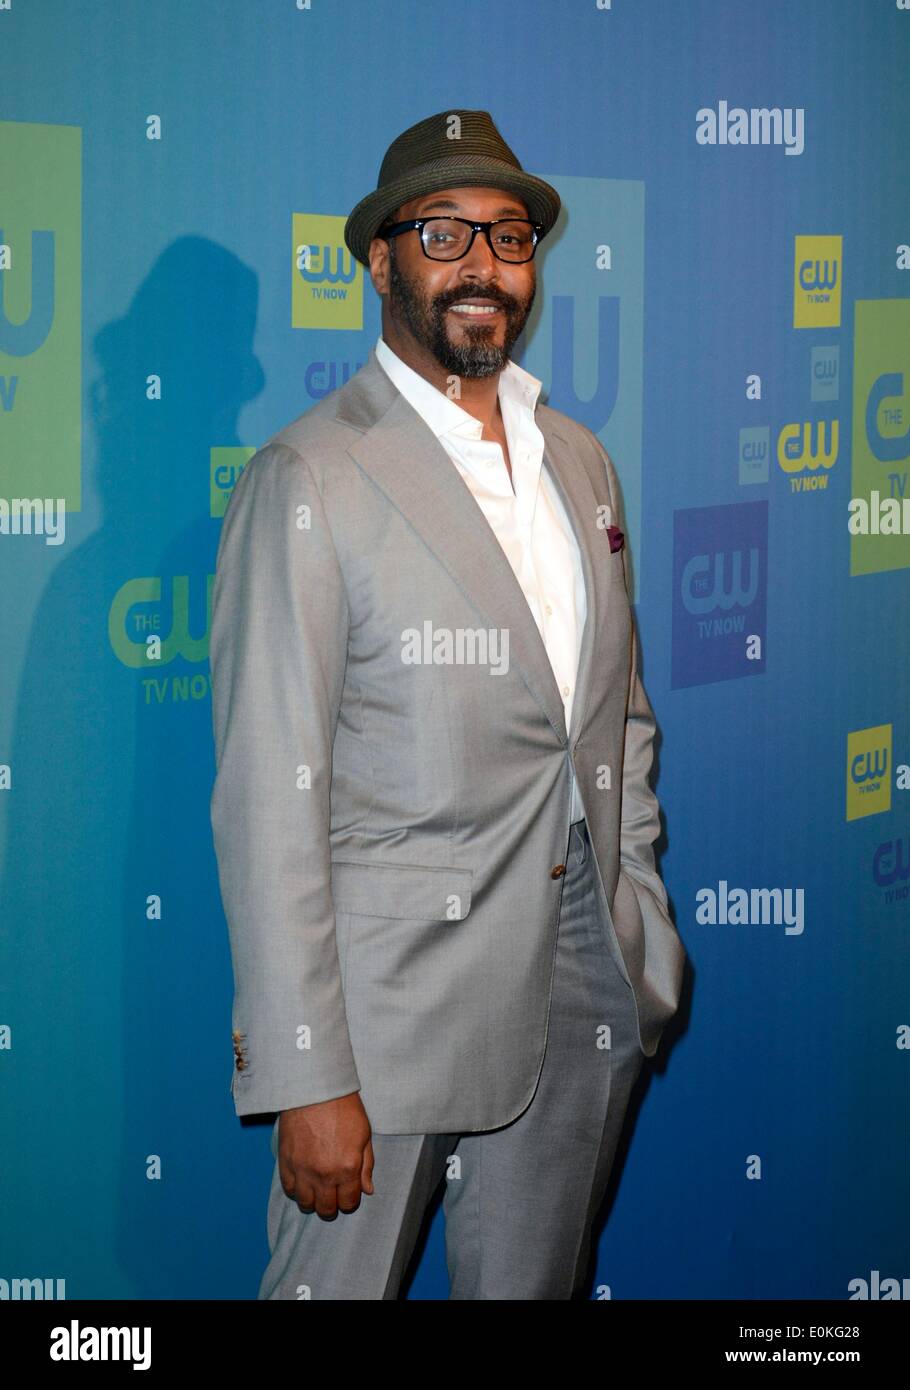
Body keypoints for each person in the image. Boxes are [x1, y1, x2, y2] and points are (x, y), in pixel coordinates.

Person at [209, 108, 687, 1300]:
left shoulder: (580, 460)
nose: (483, 263)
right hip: (383, 1021)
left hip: (583, 983)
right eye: (444, 232)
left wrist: (641, 924)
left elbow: (616, 721)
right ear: (381, 263)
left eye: (508, 234)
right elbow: (270, 794)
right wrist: (307, 1069)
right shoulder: (307, 476)